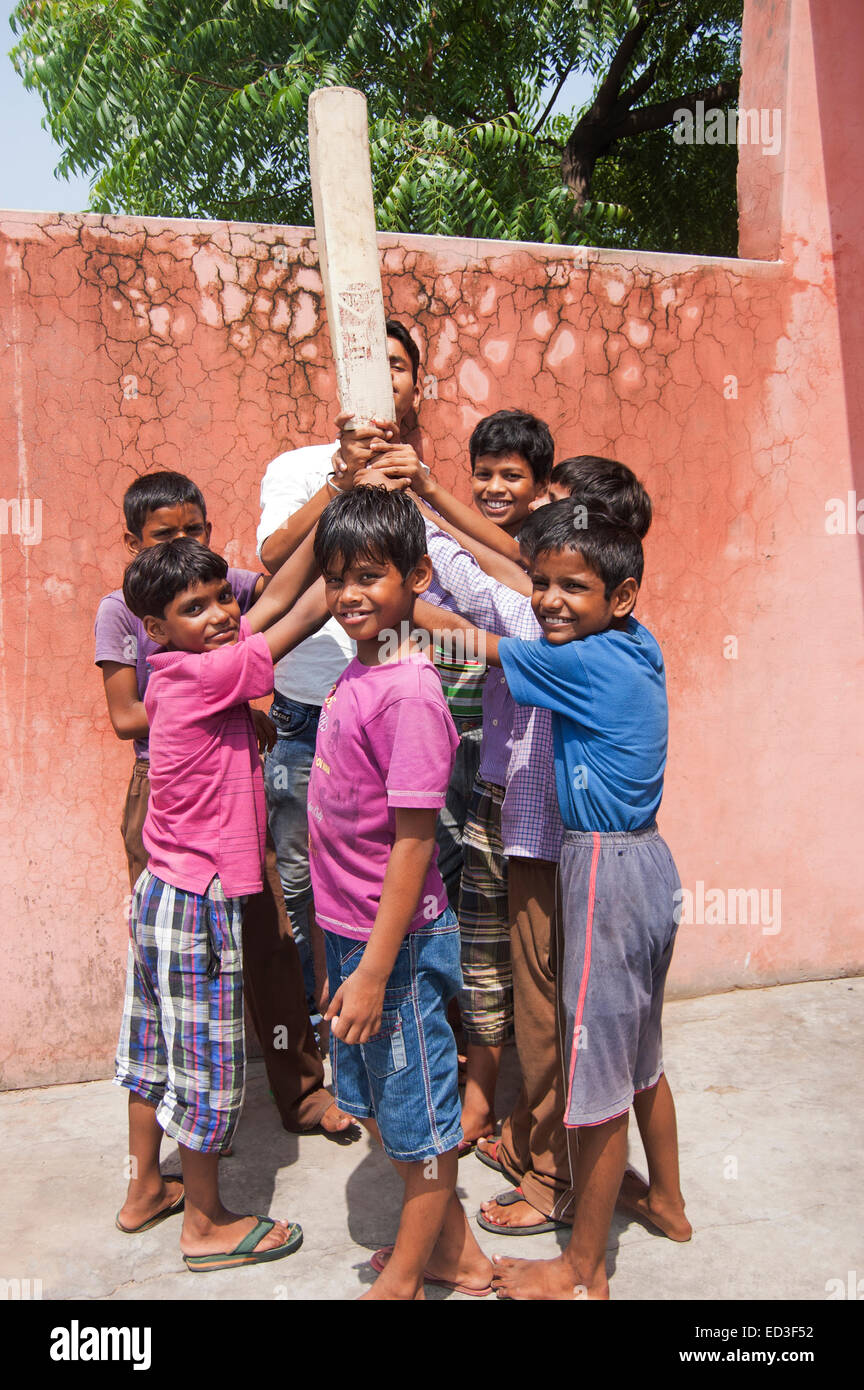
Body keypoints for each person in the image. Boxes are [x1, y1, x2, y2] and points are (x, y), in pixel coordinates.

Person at [416, 503, 690, 1299]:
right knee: (639, 1059)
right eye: (543, 583)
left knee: (596, 1082)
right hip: (647, 864)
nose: (550, 600)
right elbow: (512, 574)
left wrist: (404, 605)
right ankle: (667, 1202)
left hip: (603, 871)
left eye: (575, 587)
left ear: (623, 594)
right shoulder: (636, 646)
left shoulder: (582, 664)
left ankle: (582, 1269)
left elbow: (479, 642)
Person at [94, 472, 353, 1139]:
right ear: (131, 542)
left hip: (233, 791)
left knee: (269, 937)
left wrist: (337, 496)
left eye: (194, 530)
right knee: (177, 965)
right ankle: (196, 1119)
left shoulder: (215, 585)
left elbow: (275, 590)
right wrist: (215, 699)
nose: (217, 611)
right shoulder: (123, 611)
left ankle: (296, 1090)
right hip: (169, 800)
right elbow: (130, 715)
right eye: (163, 536)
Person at [114, 532, 329, 1271]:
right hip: (199, 902)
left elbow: (264, 601)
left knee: (152, 1051)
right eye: (192, 608)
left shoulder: (179, 674)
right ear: (154, 628)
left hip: (160, 897)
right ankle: (205, 1224)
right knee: (205, 1062)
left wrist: (325, 534)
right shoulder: (204, 677)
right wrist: (345, 564)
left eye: (217, 601)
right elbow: (293, 614)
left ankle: (145, 1188)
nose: (216, 616)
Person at [308, 486, 494, 1299]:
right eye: (336, 577)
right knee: (385, 1105)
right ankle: (458, 1255)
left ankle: (404, 1285)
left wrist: (379, 969)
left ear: (418, 576)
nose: (349, 594)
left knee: (420, 1128)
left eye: (370, 577)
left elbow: (415, 843)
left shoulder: (411, 691)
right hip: (357, 937)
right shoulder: (361, 669)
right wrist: (343, 959)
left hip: (403, 950)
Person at [367, 410, 554, 1151]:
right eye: (487, 474)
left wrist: (425, 500)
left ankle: (539, 1130)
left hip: (534, 790)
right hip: (485, 772)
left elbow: (488, 590)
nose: (496, 486)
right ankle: (482, 1096)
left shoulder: (540, 579)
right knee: (480, 938)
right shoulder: (487, 556)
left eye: (514, 475)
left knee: (532, 959)